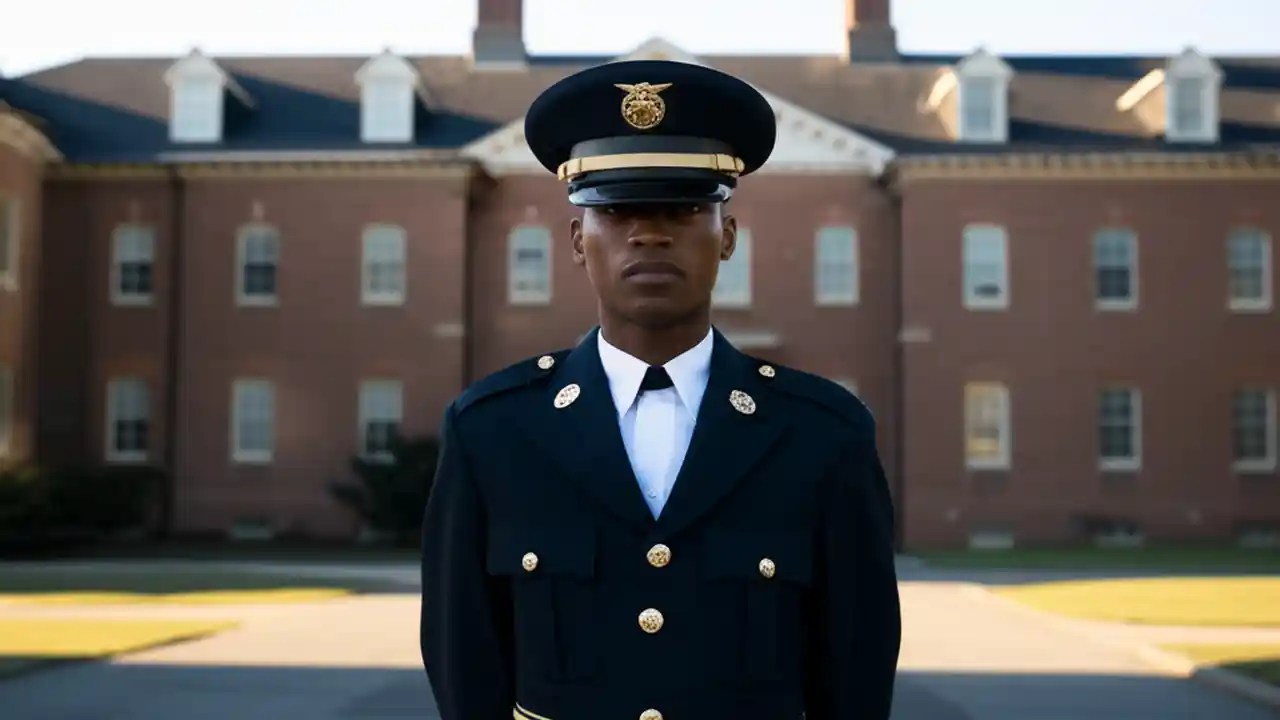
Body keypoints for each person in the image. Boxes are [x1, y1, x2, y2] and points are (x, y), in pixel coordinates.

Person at [420, 59, 901, 720]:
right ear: (577, 241)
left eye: (681, 207)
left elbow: (857, 678)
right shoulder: (491, 434)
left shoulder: (823, 435)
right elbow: (465, 670)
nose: (648, 231)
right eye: (616, 210)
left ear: (727, 236)